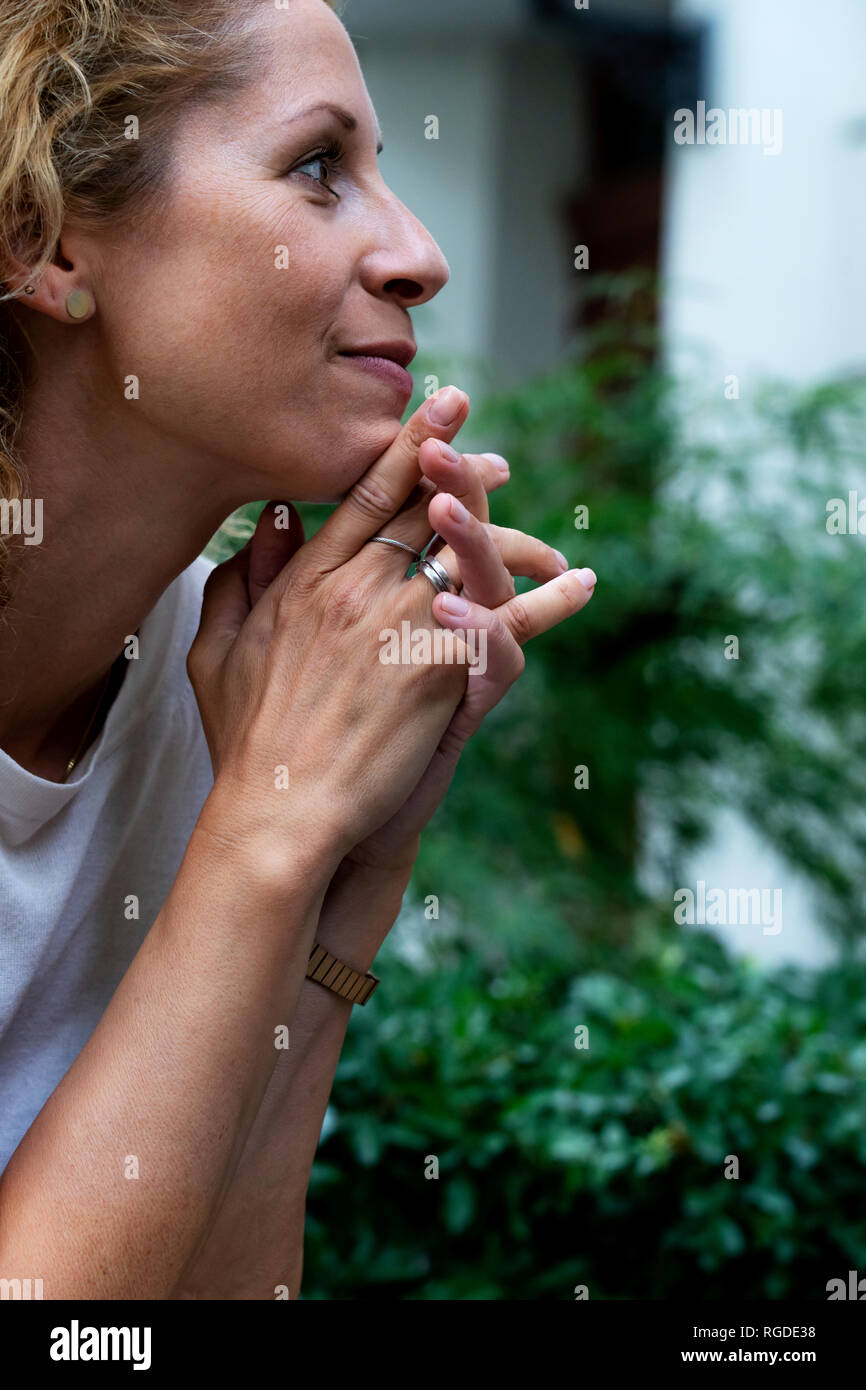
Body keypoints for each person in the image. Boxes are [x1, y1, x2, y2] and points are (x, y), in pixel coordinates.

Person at [0, 0, 596, 1298]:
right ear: (41, 239)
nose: (418, 255)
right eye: (317, 164)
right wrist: (264, 834)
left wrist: (350, 856)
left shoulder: (232, 686)